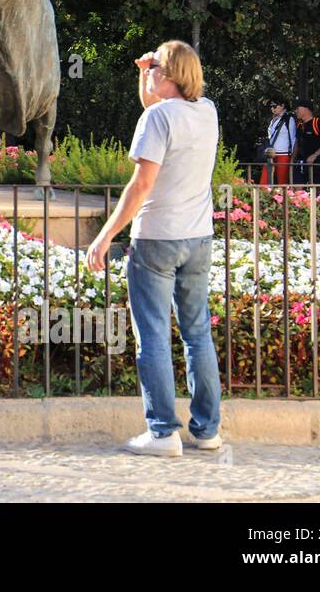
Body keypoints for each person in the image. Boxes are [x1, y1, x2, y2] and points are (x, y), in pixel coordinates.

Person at [85, 41, 222, 457]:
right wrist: (146, 73)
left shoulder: (159, 118)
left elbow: (140, 185)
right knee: (198, 335)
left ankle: (163, 434)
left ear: (170, 74)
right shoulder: (207, 111)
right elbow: (156, 108)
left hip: (157, 240)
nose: (151, 69)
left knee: (154, 337)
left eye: (156, 66)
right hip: (197, 239)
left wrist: (106, 235)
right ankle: (206, 431)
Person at [293, 99, 320, 186]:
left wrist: (315, 155)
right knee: (297, 188)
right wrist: (292, 159)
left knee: (318, 188)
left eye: (297, 108)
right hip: (301, 162)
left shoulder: (317, 123)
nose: (296, 111)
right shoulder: (299, 125)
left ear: (306, 109)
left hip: (317, 162)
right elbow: (297, 143)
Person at [258, 98, 295, 185]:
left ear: (282, 106)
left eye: (275, 106)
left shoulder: (289, 119)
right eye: (271, 107)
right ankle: (263, 197)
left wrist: (293, 156)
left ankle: (283, 198)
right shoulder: (273, 119)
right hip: (271, 153)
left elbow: (293, 138)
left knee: (282, 182)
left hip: (284, 153)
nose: (272, 109)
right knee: (264, 181)